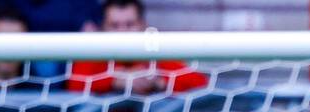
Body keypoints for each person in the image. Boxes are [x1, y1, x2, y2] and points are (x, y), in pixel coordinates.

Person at [67, 0, 207, 95]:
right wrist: (116, 80)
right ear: (103, 28)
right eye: (115, 26)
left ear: (143, 25)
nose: (123, 32)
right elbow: (75, 84)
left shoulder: (153, 56)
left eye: (130, 24)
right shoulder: (93, 56)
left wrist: (158, 82)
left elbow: (199, 83)